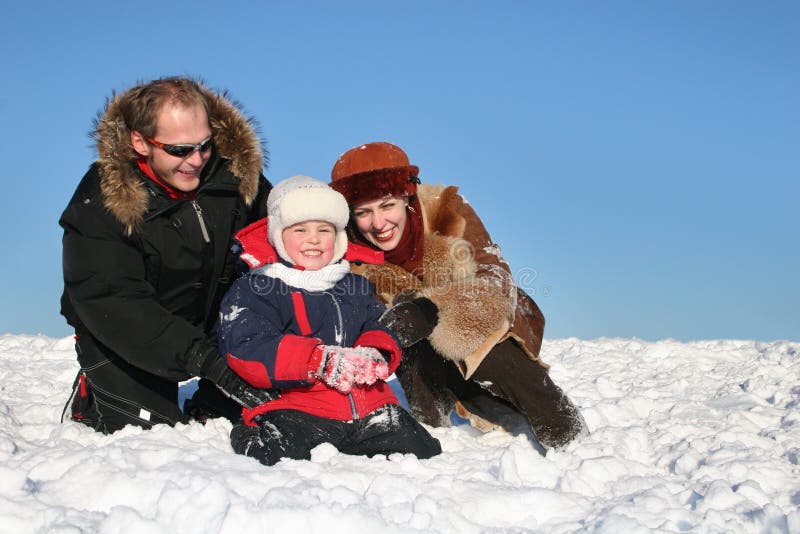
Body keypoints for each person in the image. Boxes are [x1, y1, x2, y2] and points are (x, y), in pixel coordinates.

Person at [329, 141, 587, 450]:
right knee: (399, 329)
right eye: (364, 212)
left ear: (406, 197)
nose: (379, 223)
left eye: (387, 206)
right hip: (420, 353)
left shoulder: (446, 210)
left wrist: (432, 307)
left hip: (489, 327)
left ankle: (564, 427)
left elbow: (495, 275)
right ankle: (437, 429)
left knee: (479, 338)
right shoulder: (348, 256)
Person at [60, 76, 275, 434]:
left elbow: (286, 231)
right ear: (140, 142)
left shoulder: (234, 174)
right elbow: (113, 296)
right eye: (179, 150)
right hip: (128, 333)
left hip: (215, 327)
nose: (196, 160)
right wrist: (202, 359)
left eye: (204, 145)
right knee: (150, 434)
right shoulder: (103, 200)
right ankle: (96, 395)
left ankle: (212, 398)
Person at [219, 175, 442, 466]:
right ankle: (253, 433)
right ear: (277, 235)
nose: (313, 238)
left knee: (424, 449)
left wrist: (374, 351)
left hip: (368, 406)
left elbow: (375, 325)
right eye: (300, 229)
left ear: (337, 237)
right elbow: (247, 344)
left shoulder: (354, 286)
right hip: (301, 407)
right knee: (275, 452)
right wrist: (316, 360)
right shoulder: (259, 288)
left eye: (324, 229)